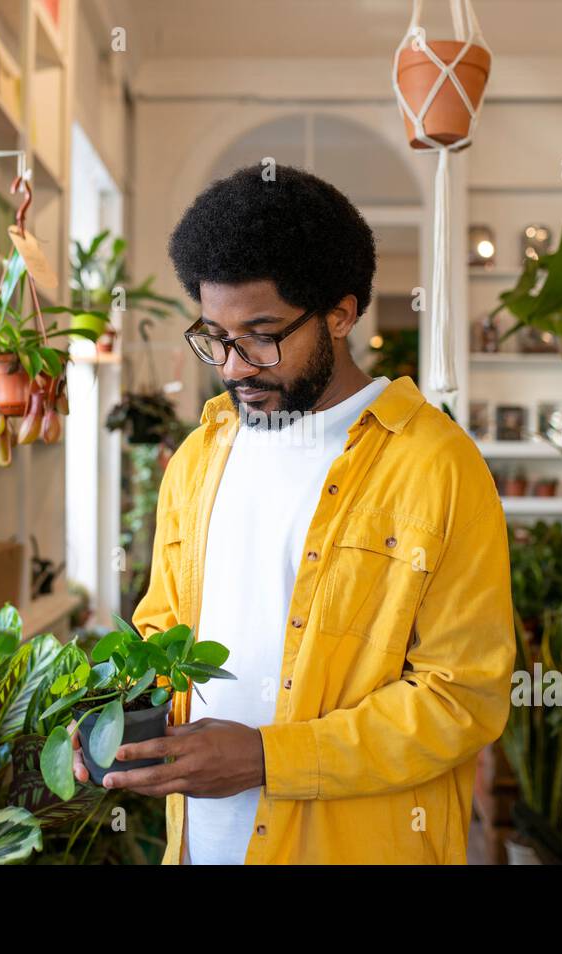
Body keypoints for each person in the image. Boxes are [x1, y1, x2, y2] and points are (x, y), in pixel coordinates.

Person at [71, 164, 515, 864]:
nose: (235, 366)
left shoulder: (438, 465)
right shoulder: (198, 458)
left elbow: (463, 698)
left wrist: (270, 759)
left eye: (261, 334)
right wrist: (113, 716)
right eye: (215, 335)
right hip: (201, 845)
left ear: (340, 314)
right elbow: (163, 630)